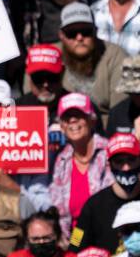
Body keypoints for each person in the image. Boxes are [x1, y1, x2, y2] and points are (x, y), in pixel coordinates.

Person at [72, 132, 140, 254]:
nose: (126, 168)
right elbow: (75, 242)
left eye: (131, 160)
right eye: (119, 162)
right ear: (110, 165)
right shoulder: (93, 205)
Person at [48, 93, 111, 239]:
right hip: (77, 235)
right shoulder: (61, 160)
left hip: (108, 233)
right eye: (67, 117)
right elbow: (59, 211)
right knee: (75, 253)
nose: (73, 120)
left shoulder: (108, 152)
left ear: (92, 120)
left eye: (79, 115)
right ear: (61, 125)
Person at [56, 3, 129, 113]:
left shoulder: (115, 56)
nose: (79, 37)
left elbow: (120, 111)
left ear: (95, 31)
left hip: (103, 126)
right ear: (61, 35)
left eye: (86, 31)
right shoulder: (49, 55)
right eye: (71, 33)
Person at [5, 209, 79, 257]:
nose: (41, 242)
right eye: (35, 239)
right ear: (27, 240)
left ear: (58, 236)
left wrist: (74, 244)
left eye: (47, 238)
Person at [17, 45, 67, 119]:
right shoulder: (17, 109)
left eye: (51, 77)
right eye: (38, 78)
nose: (45, 84)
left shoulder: (78, 106)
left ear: (62, 74)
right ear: (29, 77)